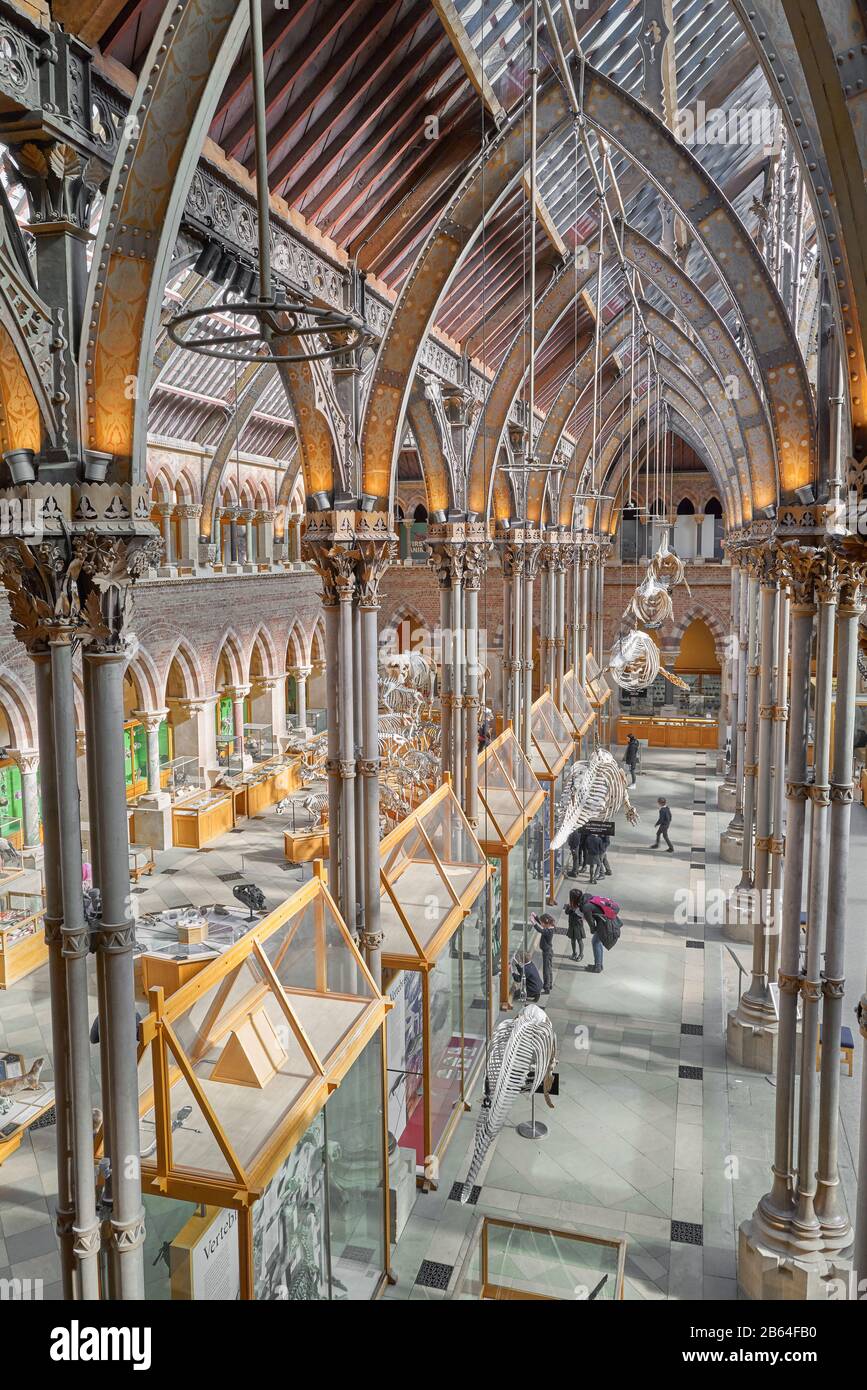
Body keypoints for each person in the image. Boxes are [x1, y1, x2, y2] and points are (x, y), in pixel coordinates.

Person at [532, 912, 556, 993]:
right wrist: (536, 917)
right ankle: (550, 984)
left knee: (546, 970)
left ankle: (547, 987)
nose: (541, 924)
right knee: (549, 968)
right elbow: (542, 925)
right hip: (548, 951)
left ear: (546, 923)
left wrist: (533, 923)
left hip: (547, 952)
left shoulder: (548, 931)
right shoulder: (549, 927)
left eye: (542, 923)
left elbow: (540, 929)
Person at [565, 888, 586, 962]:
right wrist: (570, 908)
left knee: (579, 940)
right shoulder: (570, 905)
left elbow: (584, 914)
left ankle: (581, 954)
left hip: (578, 926)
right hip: (571, 925)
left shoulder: (580, 907)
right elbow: (566, 912)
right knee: (572, 940)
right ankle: (574, 953)